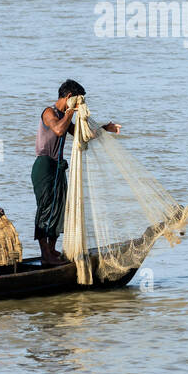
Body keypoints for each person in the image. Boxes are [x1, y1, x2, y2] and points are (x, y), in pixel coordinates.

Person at [32, 80, 121, 266]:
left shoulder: (64, 118)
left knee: (59, 208)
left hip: (58, 167)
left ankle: (51, 250)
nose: (81, 105)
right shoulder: (49, 112)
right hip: (45, 166)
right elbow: (58, 130)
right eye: (79, 101)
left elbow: (82, 134)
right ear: (69, 97)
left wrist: (105, 129)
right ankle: (45, 255)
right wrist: (70, 112)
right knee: (46, 209)